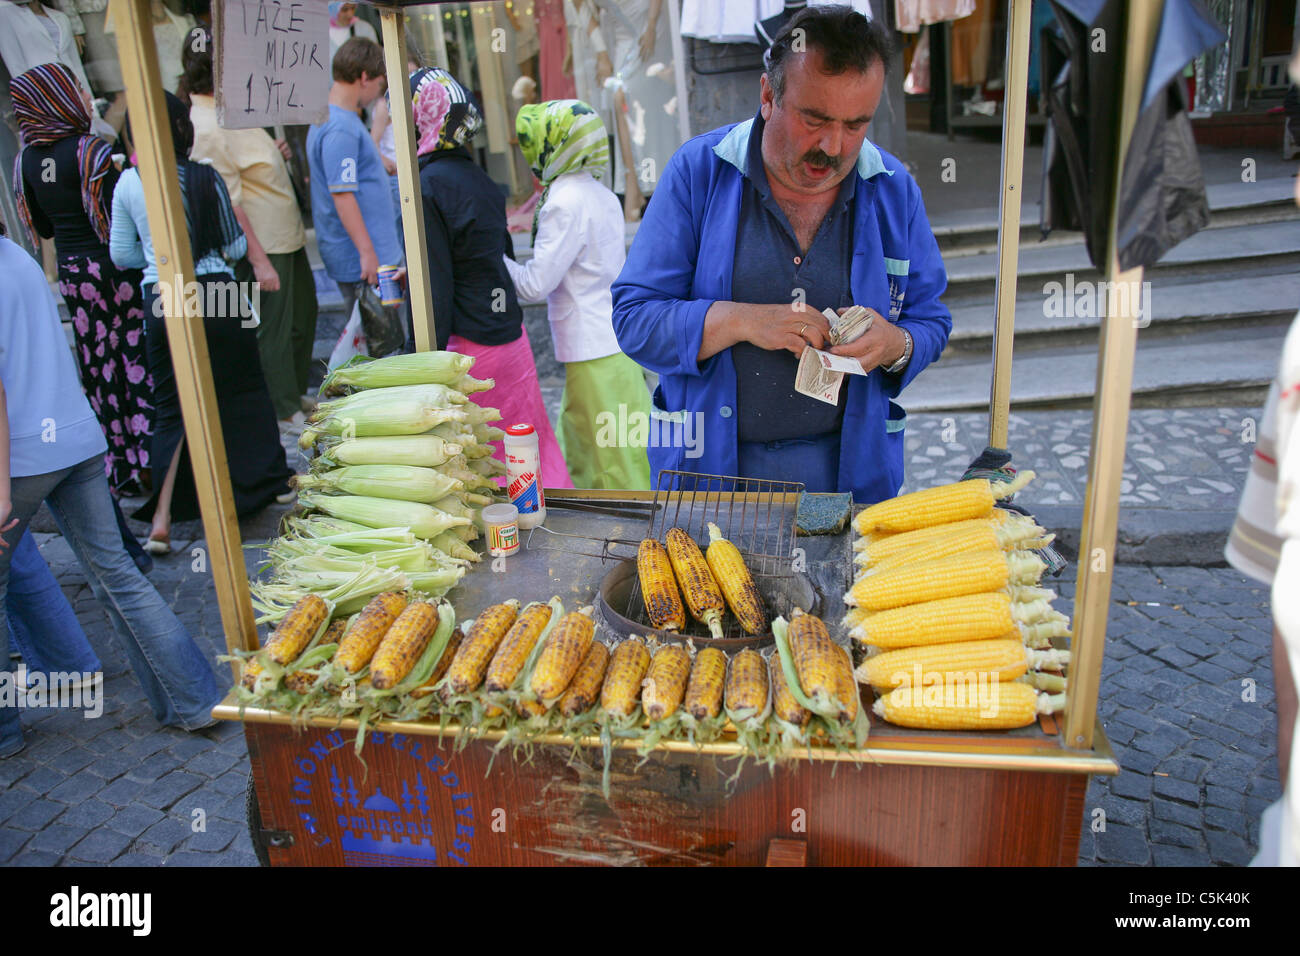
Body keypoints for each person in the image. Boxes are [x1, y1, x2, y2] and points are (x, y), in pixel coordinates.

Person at [611, 5, 951, 501]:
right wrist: (745, 320)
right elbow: (635, 319)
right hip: (709, 475)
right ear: (769, 95)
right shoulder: (699, 173)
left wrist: (896, 344)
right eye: (814, 119)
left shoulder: (894, 189)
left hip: (849, 483)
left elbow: (931, 321)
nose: (833, 146)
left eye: (856, 124)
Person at [0, 215, 222, 758]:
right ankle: (193, 701)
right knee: (118, 576)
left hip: (23, 457)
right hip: (74, 437)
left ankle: (4, 733)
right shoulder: (19, 257)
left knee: (112, 577)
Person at [110, 91, 293, 554]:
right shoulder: (204, 176)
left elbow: (121, 255)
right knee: (244, 392)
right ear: (182, 128)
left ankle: (162, 517)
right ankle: (267, 486)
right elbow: (234, 249)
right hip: (219, 291)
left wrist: (156, 256)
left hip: (165, 295)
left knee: (172, 407)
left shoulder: (130, 182)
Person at [410, 67, 572, 488]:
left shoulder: (425, 186)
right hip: (512, 341)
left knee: (488, 467)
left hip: (470, 352)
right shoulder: (481, 180)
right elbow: (496, 258)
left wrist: (420, 361)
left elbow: (436, 286)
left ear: (419, 120)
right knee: (530, 447)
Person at [9, 62, 153, 498]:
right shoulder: (90, 151)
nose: (81, 94)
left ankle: (120, 462)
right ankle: (151, 457)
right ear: (58, 97)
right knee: (136, 357)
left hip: (73, 276)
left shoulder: (26, 161)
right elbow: (114, 222)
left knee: (100, 366)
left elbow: (45, 230)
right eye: (72, 87)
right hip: (114, 271)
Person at [505, 99, 651, 490]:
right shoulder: (601, 195)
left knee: (604, 460)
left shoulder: (563, 202)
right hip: (614, 345)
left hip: (591, 347)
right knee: (621, 449)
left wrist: (492, 258)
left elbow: (536, 283)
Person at [182, 28, 319, 433]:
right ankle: (282, 407)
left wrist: (271, 156)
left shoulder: (229, 108)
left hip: (284, 232)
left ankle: (292, 393)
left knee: (301, 317)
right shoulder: (204, 122)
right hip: (263, 240)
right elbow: (229, 200)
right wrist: (258, 260)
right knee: (274, 328)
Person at [307, 37, 407, 356]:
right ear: (364, 77)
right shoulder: (341, 128)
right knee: (381, 343)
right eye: (379, 83)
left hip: (369, 254)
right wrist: (367, 253)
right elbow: (343, 195)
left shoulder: (333, 118)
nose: (379, 91)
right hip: (368, 260)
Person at [0, 1, 115, 141]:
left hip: (73, 93)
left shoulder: (60, 16)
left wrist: (89, 103)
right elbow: (15, 65)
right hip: (43, 94)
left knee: (86, 144)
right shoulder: (6, 13)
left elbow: (76, 65)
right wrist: (33, 107)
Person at [328, 1, 377, 69]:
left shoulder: (365, 29)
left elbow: (374, 60)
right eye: (344, 9)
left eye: (353, 8)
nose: (350, 14)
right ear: (332, 8)